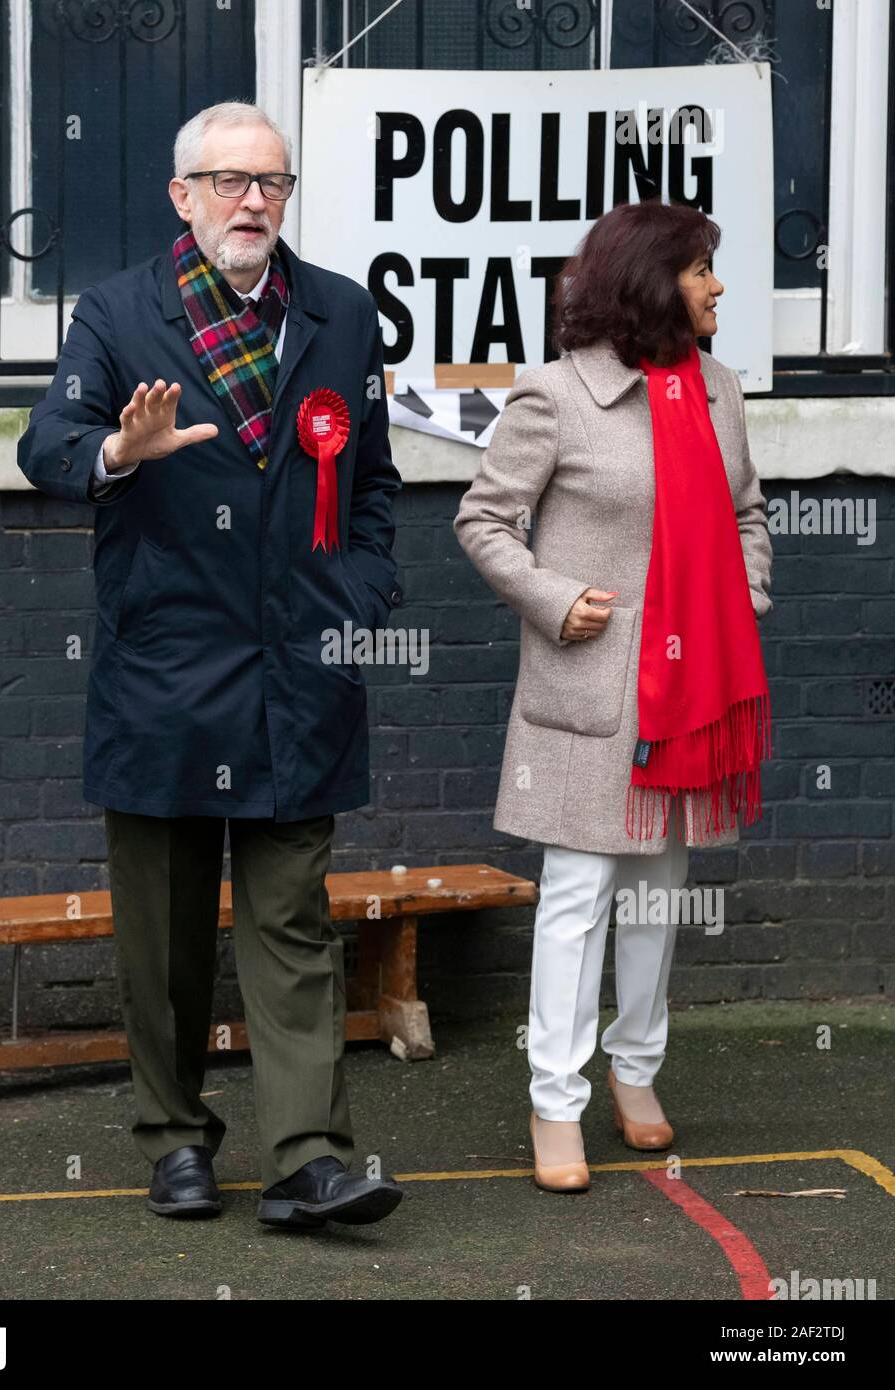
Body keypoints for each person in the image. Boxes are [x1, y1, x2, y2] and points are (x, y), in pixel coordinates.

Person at [17, 101, 406, 1230]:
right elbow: (44, 444)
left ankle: (310, 1155)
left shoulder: (336, 313)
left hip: (301, 672)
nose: (253, 202)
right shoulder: (115, 313)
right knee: (167, 936)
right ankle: (175, 1139)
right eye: (229, 181)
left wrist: (363, 585)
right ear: (181, 196)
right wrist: (113, 452)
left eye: (271, 184)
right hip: (167, 679)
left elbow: (371, 476)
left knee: (291, 922)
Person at [453, 200, 773, 1194]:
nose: (715, 287)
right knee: (580, 896)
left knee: (655, 894)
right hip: (591, 691)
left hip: (691, 687)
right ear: (647, 282)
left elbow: (746, 513)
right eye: (697, 272)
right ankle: (556, 1101)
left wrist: (740, 597)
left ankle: (635, 1075)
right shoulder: (554, 395)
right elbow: (484, 520)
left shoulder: (717, 389)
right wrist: (554, 601)